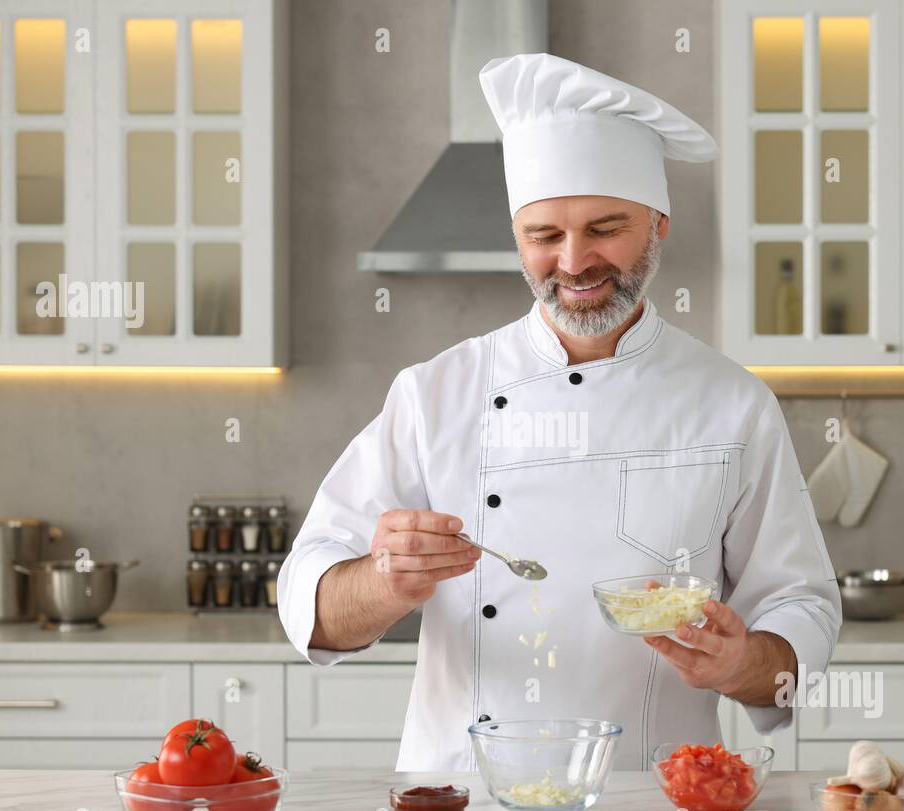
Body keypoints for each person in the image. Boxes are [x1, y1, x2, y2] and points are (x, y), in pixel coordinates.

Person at [278, 53, 841, 771]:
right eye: (545, 236)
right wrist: (386, 580)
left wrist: (739, 664)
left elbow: (803, 607)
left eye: (605, 228)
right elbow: (310, 602)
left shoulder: (733, 404)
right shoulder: (434, 395)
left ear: (659, 222)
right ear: (517, 235)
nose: (574, 262)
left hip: (657, 809)